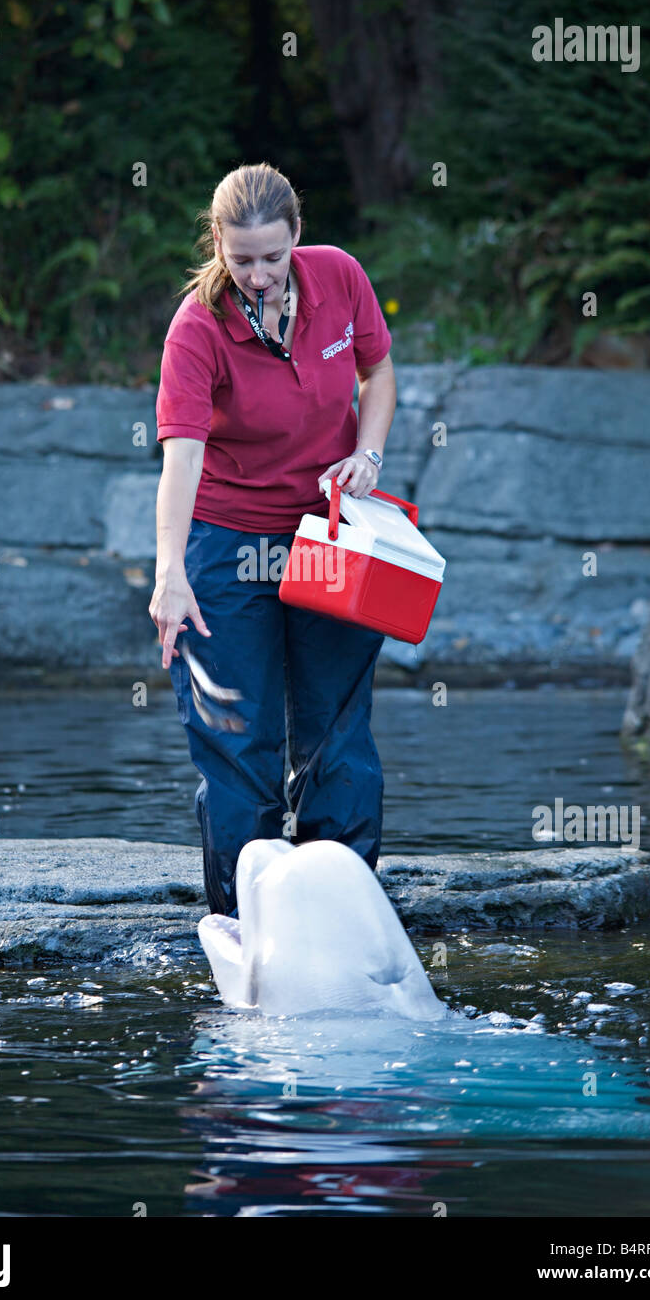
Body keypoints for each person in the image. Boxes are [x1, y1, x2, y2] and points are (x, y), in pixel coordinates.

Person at [149, 162, 396, 917]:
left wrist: (370, 454)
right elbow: (181, 456)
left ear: (296, 236)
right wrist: (169, 573)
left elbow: (377, 371)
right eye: (240, 258)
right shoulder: (197, 327)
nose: (256, 274)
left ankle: (344, 910)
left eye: (271, 257)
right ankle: (243, 918)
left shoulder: (341, 279)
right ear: (217, 244)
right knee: (236, 738)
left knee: (334, 735)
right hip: (227, 542)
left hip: (327, 531)